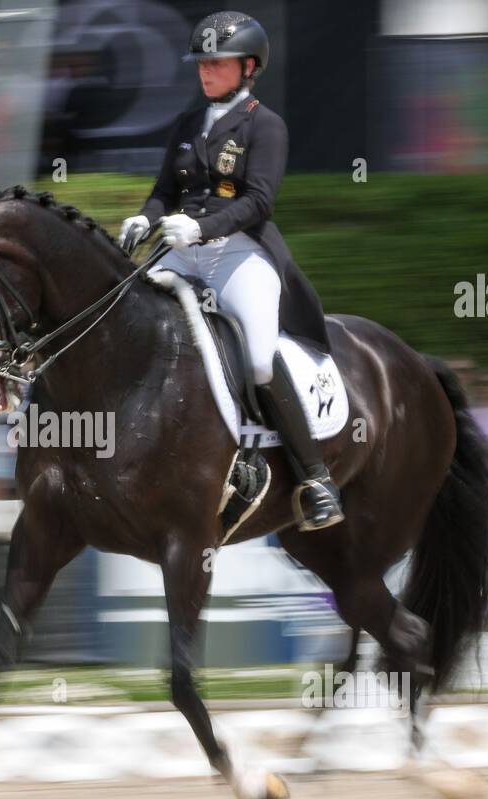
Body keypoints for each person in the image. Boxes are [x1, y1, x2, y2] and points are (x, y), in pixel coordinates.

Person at [118, 11, 341, 530]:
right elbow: (165, 192)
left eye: (217, 63)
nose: (206, 71)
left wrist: (202, 228)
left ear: (248, 67)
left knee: (260, 360)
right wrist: (145, 218)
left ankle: (316, 479)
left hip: (239, 253)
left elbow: (259, 201)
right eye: (201, 63)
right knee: (122, 320)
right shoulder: (186, 123)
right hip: (179, 248)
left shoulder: (266, 125)